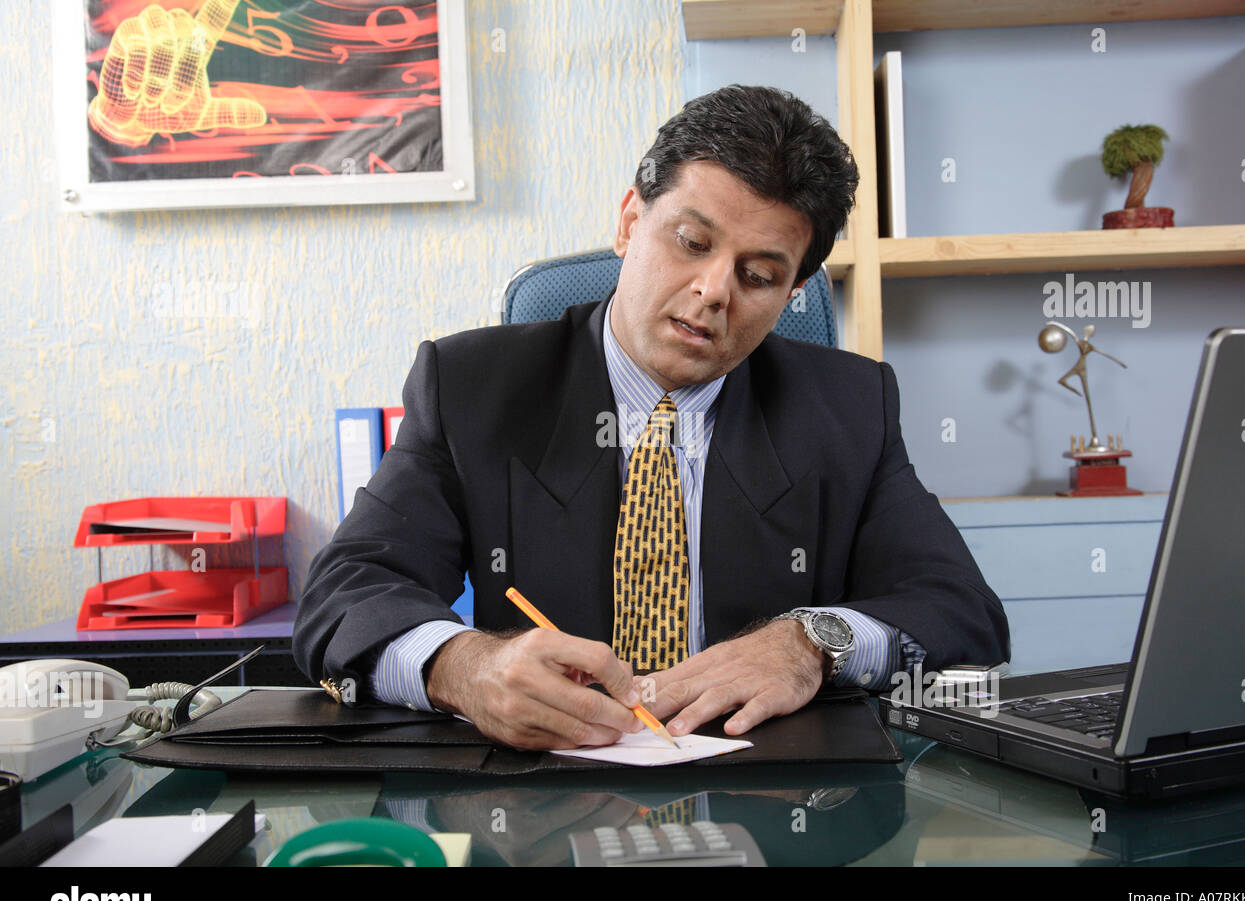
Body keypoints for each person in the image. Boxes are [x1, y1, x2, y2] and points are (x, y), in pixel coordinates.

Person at [293, 85, 1009, 751]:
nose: (712, 291)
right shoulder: (474, 387)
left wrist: (812, 642)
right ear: (631, 221)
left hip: (775, 793)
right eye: (691, 243)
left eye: (758, 276)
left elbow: (961, 612)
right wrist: (463, 668)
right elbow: (344, 594)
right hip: (543, 799)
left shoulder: (850, 406)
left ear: (793, 291)